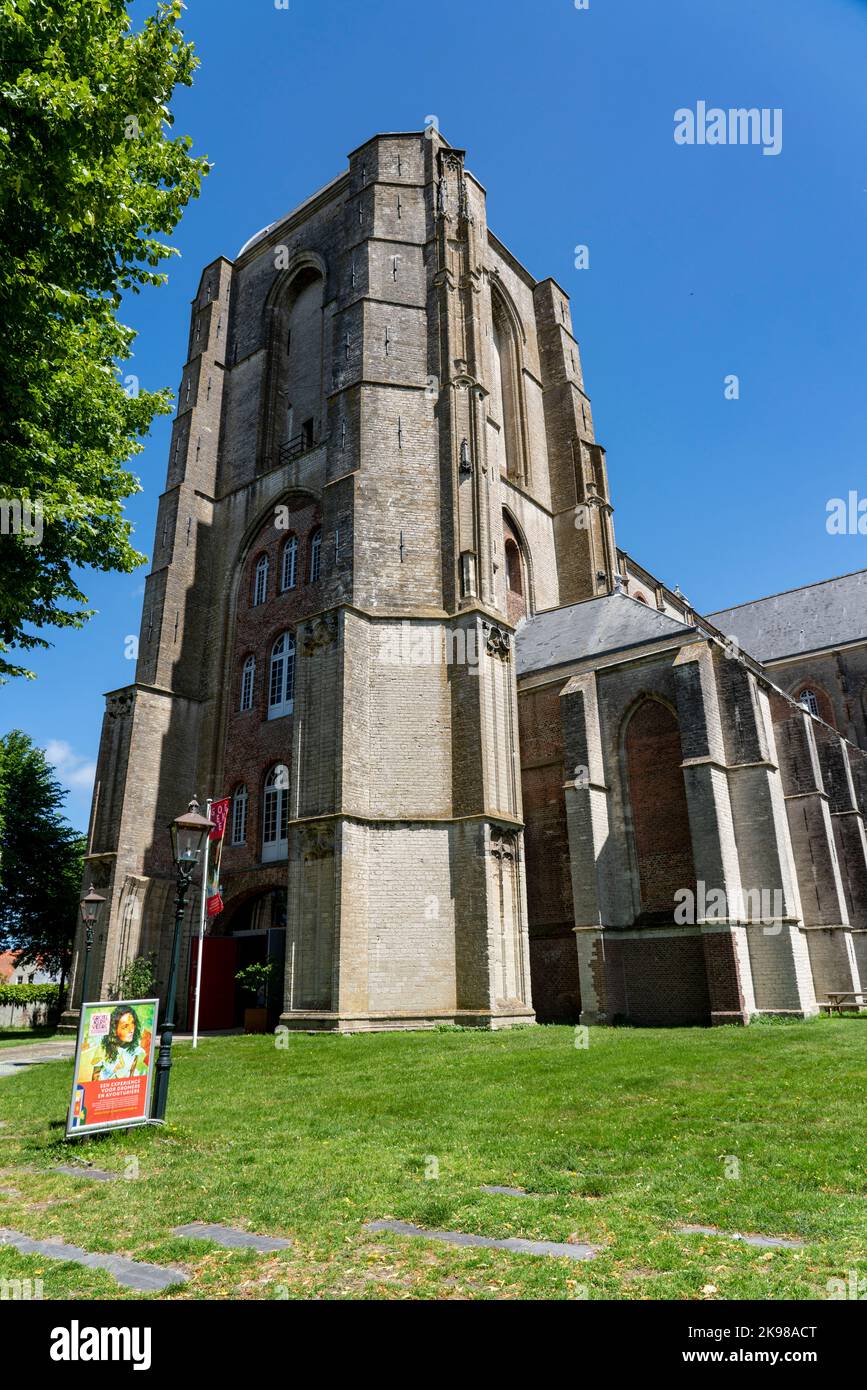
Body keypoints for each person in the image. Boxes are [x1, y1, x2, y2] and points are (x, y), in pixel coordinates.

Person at [91, 1004, 148, 1081]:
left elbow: (132, 1072)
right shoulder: (103, 1049)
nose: (131, 1030)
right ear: (114, 1030)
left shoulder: (135, 1048)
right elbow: (95, 1078)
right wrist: (115, 1070)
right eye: (125, 1026)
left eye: (133, 1023)